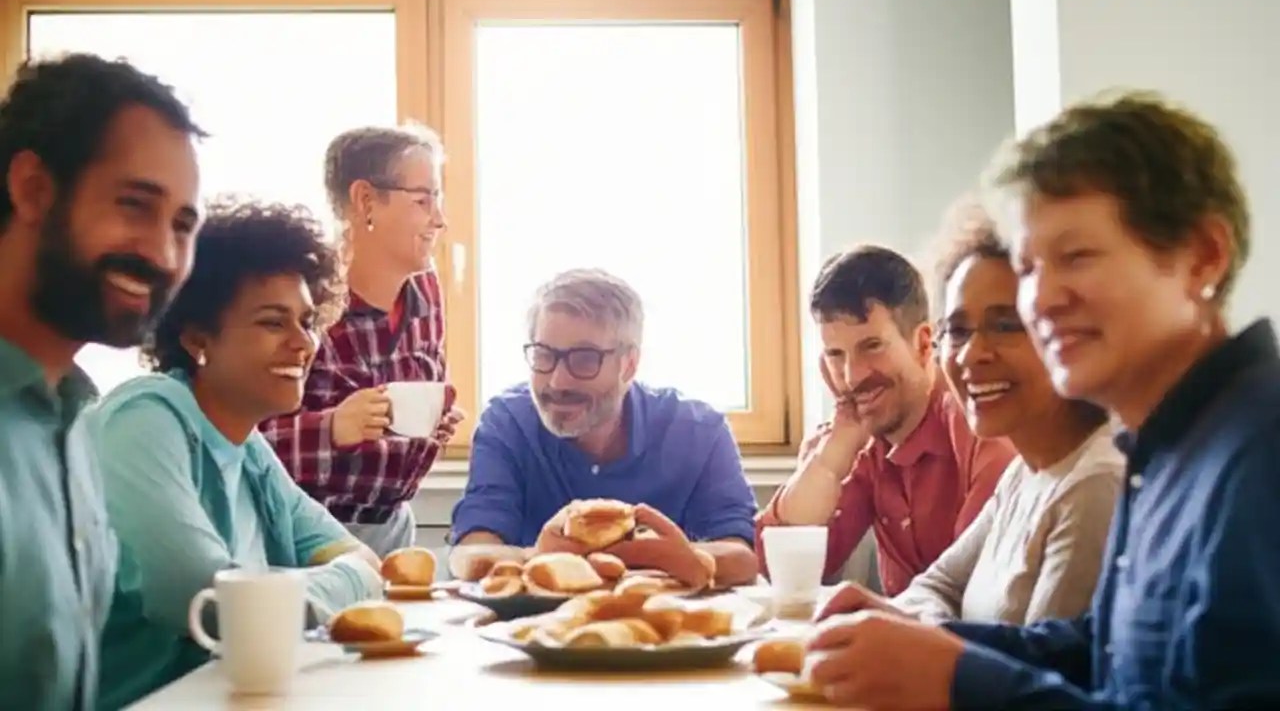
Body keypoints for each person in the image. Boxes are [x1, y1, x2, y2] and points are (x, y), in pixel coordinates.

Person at [801, 92, 1280, 710]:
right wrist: (922, 640)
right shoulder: (1165, 449)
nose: (1042, 299)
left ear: (1203, 256)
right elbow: (1101, 652)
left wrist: (957, 680)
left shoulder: (1259, 449)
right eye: (1029, 268)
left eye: (1076, 257)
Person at [88, 201, 384, 709]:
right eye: (273, 323)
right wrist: (348, 580)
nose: (304, 343)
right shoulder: (143, 420)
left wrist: (345, 575)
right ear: (198, 337)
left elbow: (360, 557)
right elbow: (211, 606)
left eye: (307, 321)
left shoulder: (248, 449)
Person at [0, 53, 203, 711]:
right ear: (32, 188)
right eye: (134, 205)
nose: (163, 253)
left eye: (181, 225)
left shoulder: (71, 422)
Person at [819, 198, 1123, 627]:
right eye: (958, 330)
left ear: (1063, 333)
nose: (972, 354)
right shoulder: (1026, 474)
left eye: (1005, 325)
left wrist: (909, 633)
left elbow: (1038, 671)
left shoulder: (1093, 485)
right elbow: (936, 585)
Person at [449, 269, 759, 588]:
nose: (558, 381)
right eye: (544, 355)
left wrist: (671, 556)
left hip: (664, 626)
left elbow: (742, 557)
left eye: (584, 360)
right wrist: (537, 558)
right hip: (532, 628)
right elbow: (470, 554)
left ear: (629, 366)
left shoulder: (699, 431)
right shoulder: (507, 423)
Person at [755, 246, 1015, 595]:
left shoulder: (980, 425)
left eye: (871, 346)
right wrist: (830, 460)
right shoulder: (855, 438)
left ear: (923, 344)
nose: (852, 375)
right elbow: (775, 570)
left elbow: (974, 591)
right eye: (835, 354)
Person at [261, 124, 464, 556]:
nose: (440, 220)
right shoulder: (301, 299)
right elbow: (238, 444)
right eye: (423, 200)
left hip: (392, 532)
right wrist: (332, 427)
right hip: (301, 538)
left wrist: (432, 429)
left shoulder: (425, 290)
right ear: (366, 201)